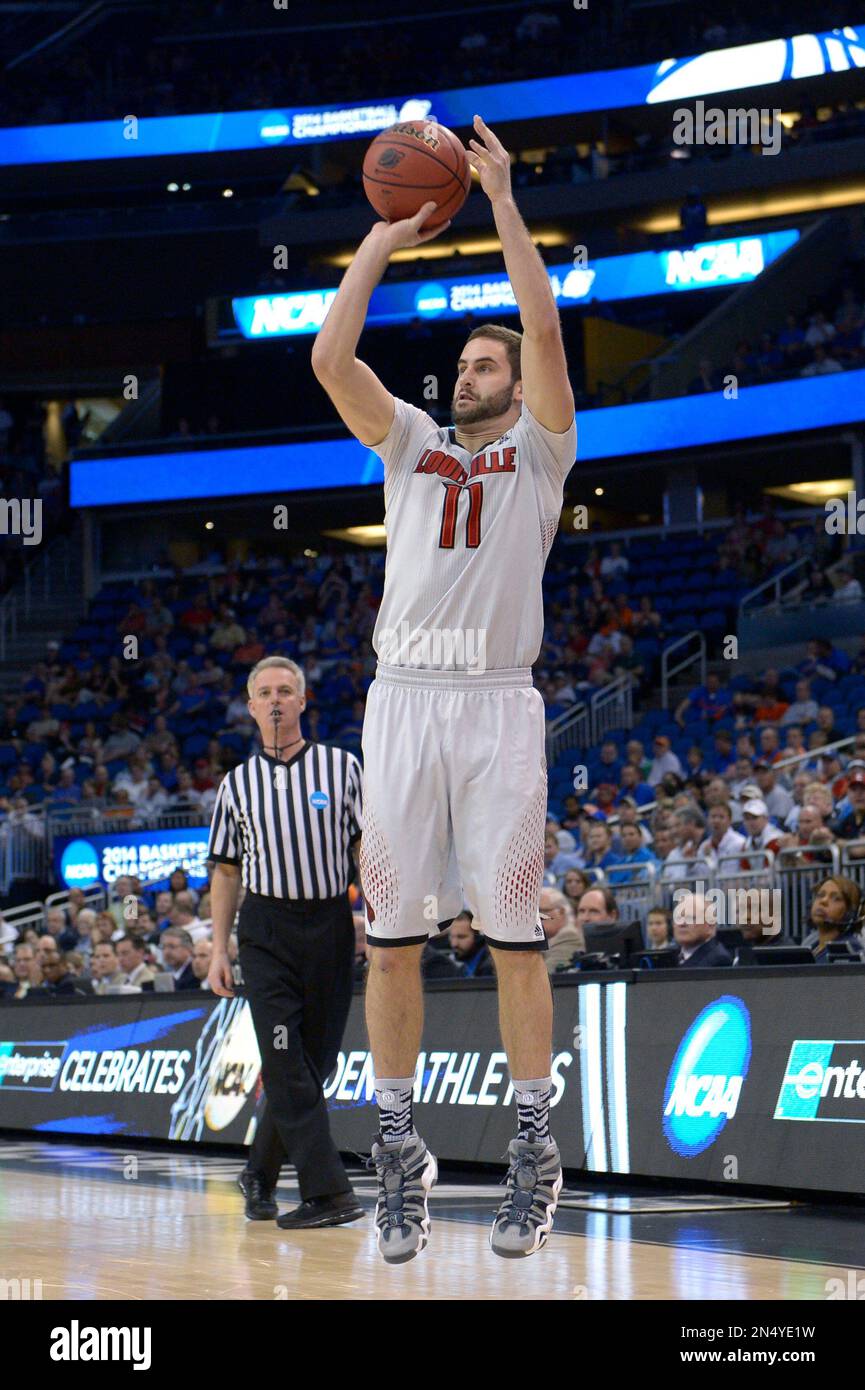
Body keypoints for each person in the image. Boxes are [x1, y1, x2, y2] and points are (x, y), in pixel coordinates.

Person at [312, 114, 576, 1262]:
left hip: (498, 706)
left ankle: (530, 1148)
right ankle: (398, 1149)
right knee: (393, 945)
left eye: (484, 363)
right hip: (402, 699)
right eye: (462, 363)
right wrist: (384, 233)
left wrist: (503, 203)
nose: (466, 374)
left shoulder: (544, 452)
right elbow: (329, 360)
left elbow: (545, 321)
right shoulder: (410, 441)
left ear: (515, 386)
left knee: (515, 939)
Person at [208, 656, 364, 1231]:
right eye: (264, 692)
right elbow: (225, 871)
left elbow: (362, 849)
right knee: (283, 1058)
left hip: (329, 925)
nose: (275, 700)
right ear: (250, 708)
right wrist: (218, 948)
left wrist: (374, 915)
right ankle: (328, 1192)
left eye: (285, 690)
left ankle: (258, 1173)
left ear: (302, 702)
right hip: (266, 930)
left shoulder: (343, 768)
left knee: (311, 1065)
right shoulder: (235, 784)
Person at [803, 876, 865, 962]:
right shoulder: (810, 944)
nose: (823, 901)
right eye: (820, 895)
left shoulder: (848, 950)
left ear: (850, 913)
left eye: (836, 898)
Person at [671, 891, 732, 967]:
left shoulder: (718, 960)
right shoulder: (670, 957)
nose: (681, 923)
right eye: (678, 918)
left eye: (691, 918)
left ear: (710, 925)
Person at [539, 888, 584, 972]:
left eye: (541, 911)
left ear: (561, 912)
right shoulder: (546, 940)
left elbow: (546, 974)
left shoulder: (569, 937)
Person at [448, 911, 493, 978]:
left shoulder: (491, 966)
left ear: (478, 937)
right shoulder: (450, 961)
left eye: (461, 937)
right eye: (452, 936)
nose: (454, 944)